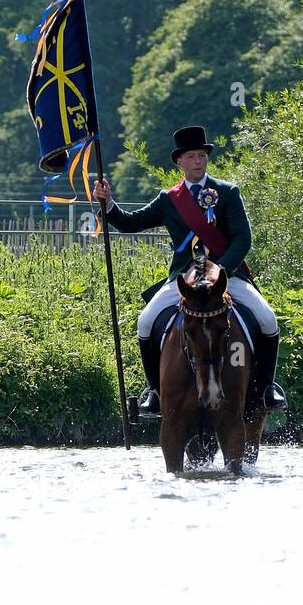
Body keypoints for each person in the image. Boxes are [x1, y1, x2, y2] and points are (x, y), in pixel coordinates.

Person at [94, 125, 285, 418]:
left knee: (267, 319)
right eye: (191, 156)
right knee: (144, 323)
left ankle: (266, 388)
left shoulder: (227, 192)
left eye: (201, 155)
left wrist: (220, 272)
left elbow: (242, 239)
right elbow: (131, 222)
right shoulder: (169, 199)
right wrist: (108, 205)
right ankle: (155, 392)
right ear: (179, 162)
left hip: (225, 277)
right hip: (184, 279)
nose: (198, 161)